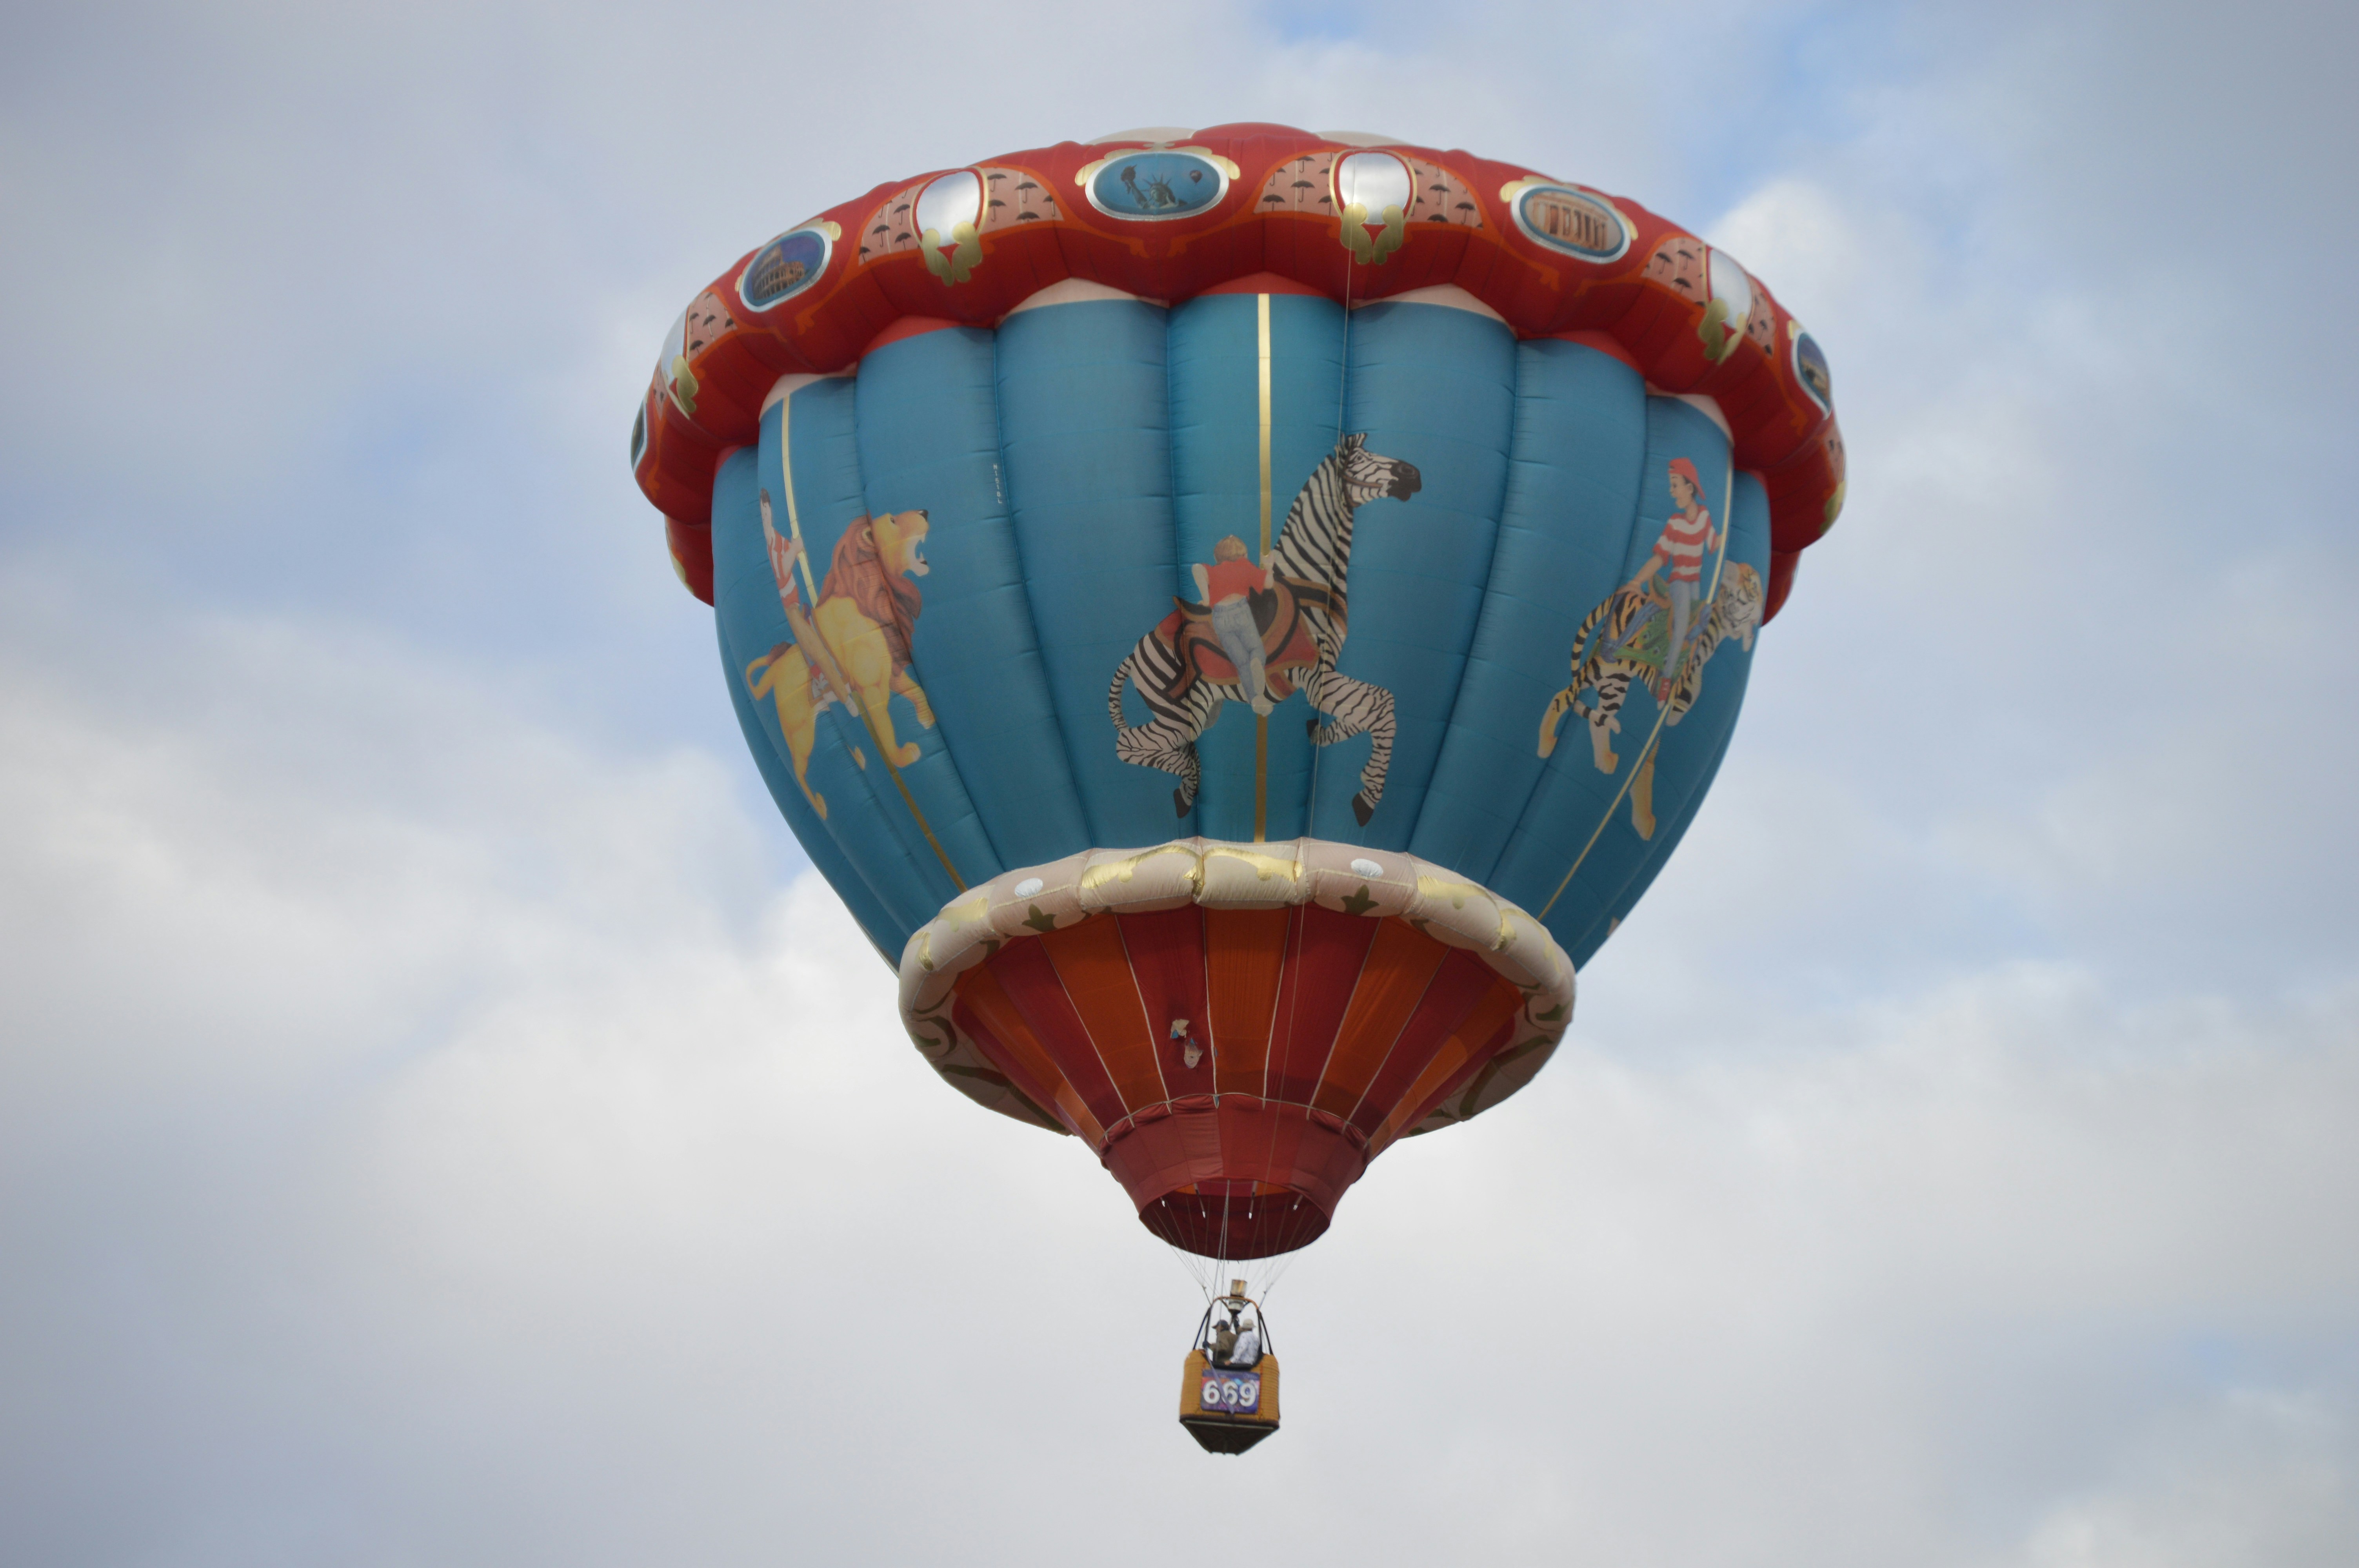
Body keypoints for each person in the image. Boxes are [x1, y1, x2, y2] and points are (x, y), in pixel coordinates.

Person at [1624, 457, 1718, 701]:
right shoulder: (1674, 523)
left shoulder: (1705, 517)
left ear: (1690, 488)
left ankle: (1691, 634)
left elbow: (1714, 544)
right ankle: (1665, 680)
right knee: (1682, 627)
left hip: (1696, 582)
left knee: (1698, 628)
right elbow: (1659, 558)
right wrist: (1637, 581)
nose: (1671, 490)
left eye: (1675, 484)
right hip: (1679, 583)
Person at [1192, 535, 1276, 717]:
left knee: (1241, 662)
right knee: (1255, 650)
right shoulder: (1244, 566)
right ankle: (1257, 663)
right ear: (1243, 554)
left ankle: (1255, 699)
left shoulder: (1213, 570)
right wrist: (1268, 567)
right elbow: (1269, 584)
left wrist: (1206, 599)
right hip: (1241, 612)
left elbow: (1196, 568)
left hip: (1220, 617)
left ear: (1218, 557)